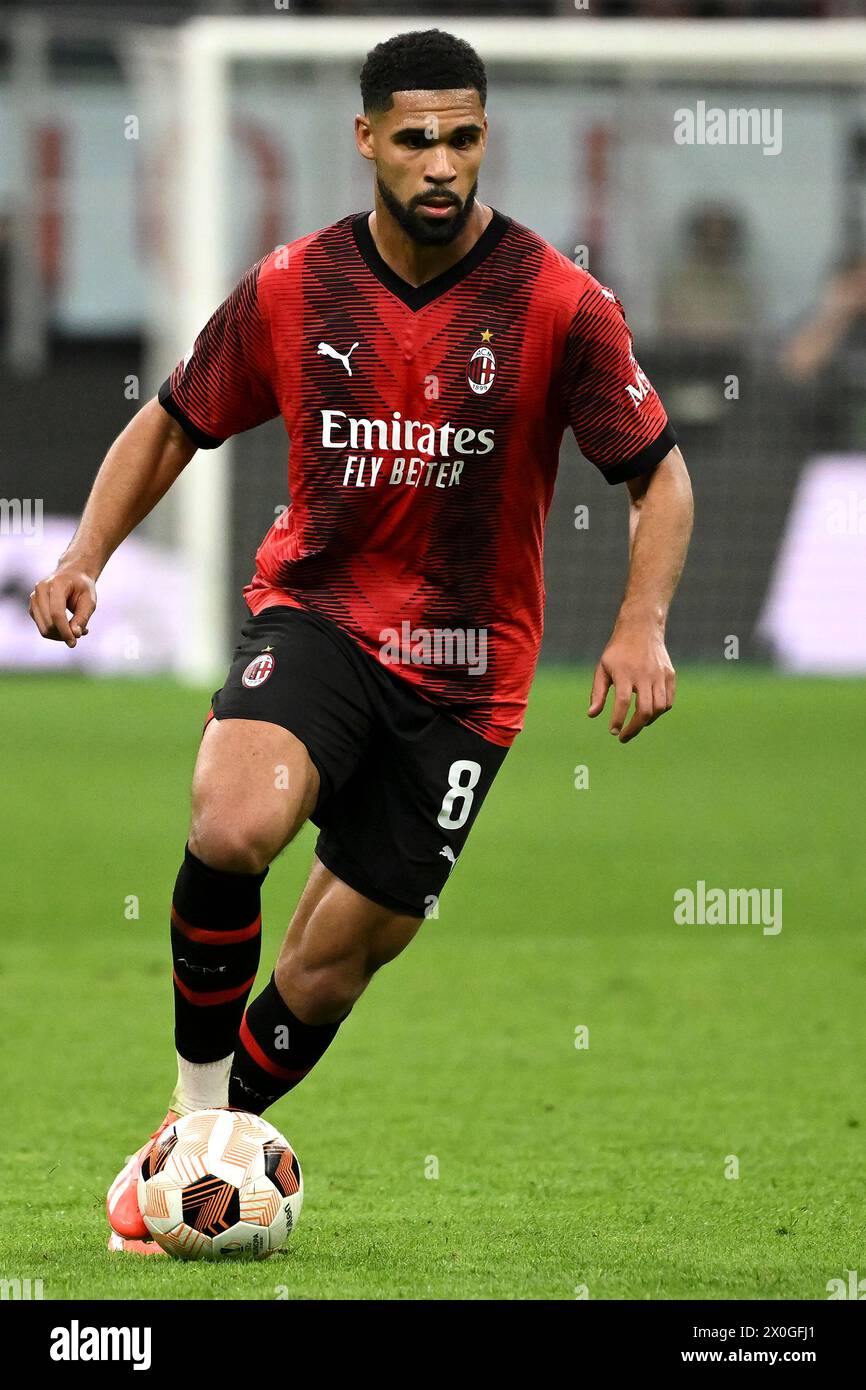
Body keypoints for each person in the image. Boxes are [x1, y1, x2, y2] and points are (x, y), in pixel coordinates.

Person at [28, 28, 693, 1255]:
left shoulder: (553, 301)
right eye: (414, 138)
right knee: (232, 823)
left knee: (329, 966)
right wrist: (81, 556)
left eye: (461, 137)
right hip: (322, 620)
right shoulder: (293, 287)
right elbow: (173, 422)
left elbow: (659, 476)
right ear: (367, 140)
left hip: (470, 681)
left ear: (482, 139)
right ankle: (190, 1123)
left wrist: (639, 622)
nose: (439, 163)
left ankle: (193, 1158)